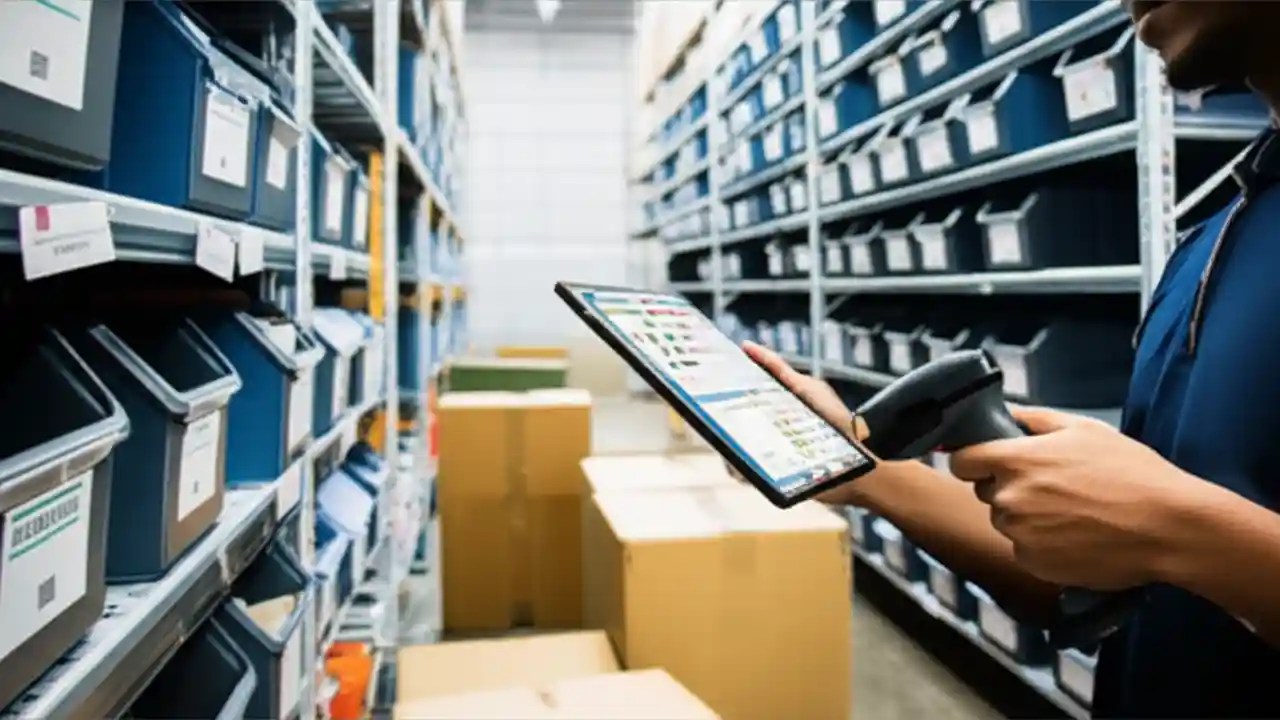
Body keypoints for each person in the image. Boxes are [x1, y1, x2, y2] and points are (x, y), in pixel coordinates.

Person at [744, 2, 1280, 717]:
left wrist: (1184, 532)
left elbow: (1179, 539)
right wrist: (856, 467)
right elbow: (1117, 587)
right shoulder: (1213, 243)